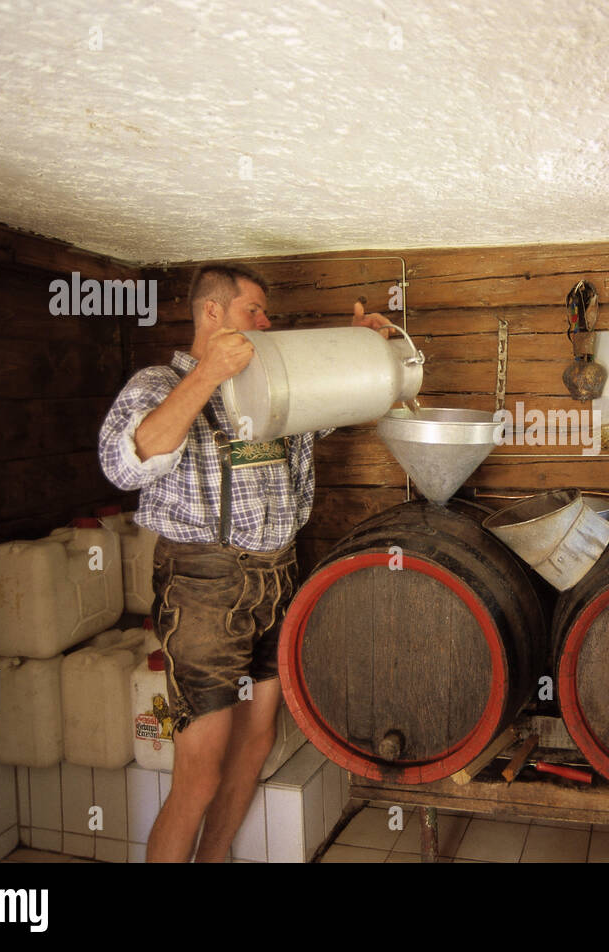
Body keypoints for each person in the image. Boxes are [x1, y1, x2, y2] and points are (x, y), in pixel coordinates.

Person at [98, 264, 391, 862]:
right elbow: (127, 464)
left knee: (256, 744)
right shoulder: (157, 384)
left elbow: (343, 400)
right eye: (252, 311)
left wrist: (363, 350)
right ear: (212, 313)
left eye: (265, 313)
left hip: (278, 576)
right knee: (199, 773)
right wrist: (208, 374)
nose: (265, 323)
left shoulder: (274, 380)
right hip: (203, 587)